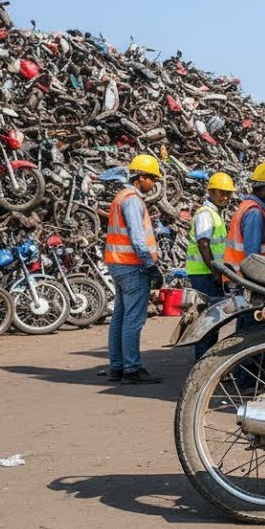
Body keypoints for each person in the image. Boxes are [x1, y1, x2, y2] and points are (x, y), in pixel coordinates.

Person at [104, 154, 165, 385]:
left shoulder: (122, 196)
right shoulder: (131, 199)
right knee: (133, 319)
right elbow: (138, 239)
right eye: (152, 179)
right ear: (141, 177)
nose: (154, 184)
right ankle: (131, 368)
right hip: (131, 266)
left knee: (119, 316)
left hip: (118, 264)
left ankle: (117, 366)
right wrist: (151, 265)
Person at [185, 172, 235, 360]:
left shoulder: (215, 214)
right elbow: (203, 244)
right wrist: (215, 271)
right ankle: (202, 363)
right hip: (204, 274)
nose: (224, 197)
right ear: (211, 192)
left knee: (213, 320)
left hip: (209, 273)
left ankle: (207, 361)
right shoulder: (206, 214)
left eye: (227, 193)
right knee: (207, 321)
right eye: (220, 193)